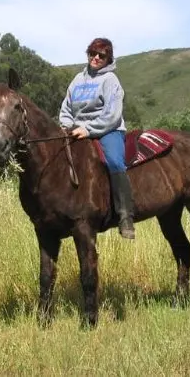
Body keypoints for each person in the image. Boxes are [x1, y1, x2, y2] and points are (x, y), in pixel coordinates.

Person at [59, 38, 135, 240]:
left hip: (107, 130)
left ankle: (125, 214)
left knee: (114, 161)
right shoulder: (77, 80)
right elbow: (66, 108)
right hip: (77, 130)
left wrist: (88, 129)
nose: (96, 58)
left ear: (108, 58)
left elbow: (112, 114)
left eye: (101, 55)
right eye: (92, 53)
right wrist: (67, 126)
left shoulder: (110, 80)